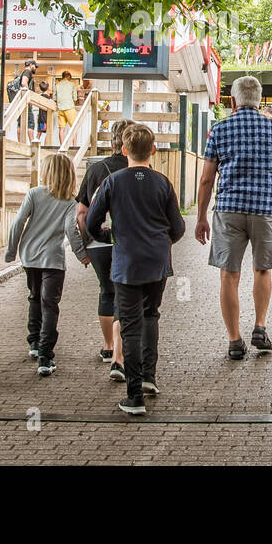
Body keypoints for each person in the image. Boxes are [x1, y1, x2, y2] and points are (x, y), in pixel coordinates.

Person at [195, 75, 272, 361]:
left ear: (233, 101)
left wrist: (202, 216)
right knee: (262, 270)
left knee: (229, 275)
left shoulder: (219, 129)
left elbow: (206, 180)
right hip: (266, 210)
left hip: (229, 209)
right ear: (259, 100)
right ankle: (260, 326)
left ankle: (234, 341)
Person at [86, 123, 186, 416]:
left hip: (127, 262)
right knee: (151, 315)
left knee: (129, 325)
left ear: (124, 149)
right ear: (153, 150)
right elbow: (178, 227)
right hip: (157, 262)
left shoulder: (113, 182)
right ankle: (149, 378)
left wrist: (111, 238)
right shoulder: (163, 183)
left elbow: (92, 223)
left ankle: (133, 396)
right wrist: (161, 241)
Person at [5, 153, 78, 377]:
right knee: (50, 304)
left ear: (47, 172)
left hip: (30, 257)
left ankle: (34, 342)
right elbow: (71, 231)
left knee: (35, 296)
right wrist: (82, 254)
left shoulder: (34, 194)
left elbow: (18, 223)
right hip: (54, 260)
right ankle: (46, 356)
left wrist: (11, 251)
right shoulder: (70, 202)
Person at [75, 119, 130, 380]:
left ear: (112, 142)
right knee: (125, 293)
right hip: (127, 241)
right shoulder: (139, 166)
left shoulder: (96, 169)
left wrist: (87, 239)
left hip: (98, 242)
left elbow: (81, 211)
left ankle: (108, 347)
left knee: (106, 291)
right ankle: (121, 352)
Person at [54, 71, 79, 135]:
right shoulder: (72, 85)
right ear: (68, 76)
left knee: (61, 129)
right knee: (74, 128)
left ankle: (62, 145)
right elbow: (75, 98)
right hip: (70, 108)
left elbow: (54, 98)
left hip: (60, 109)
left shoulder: (57, 85)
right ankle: (74, 145)